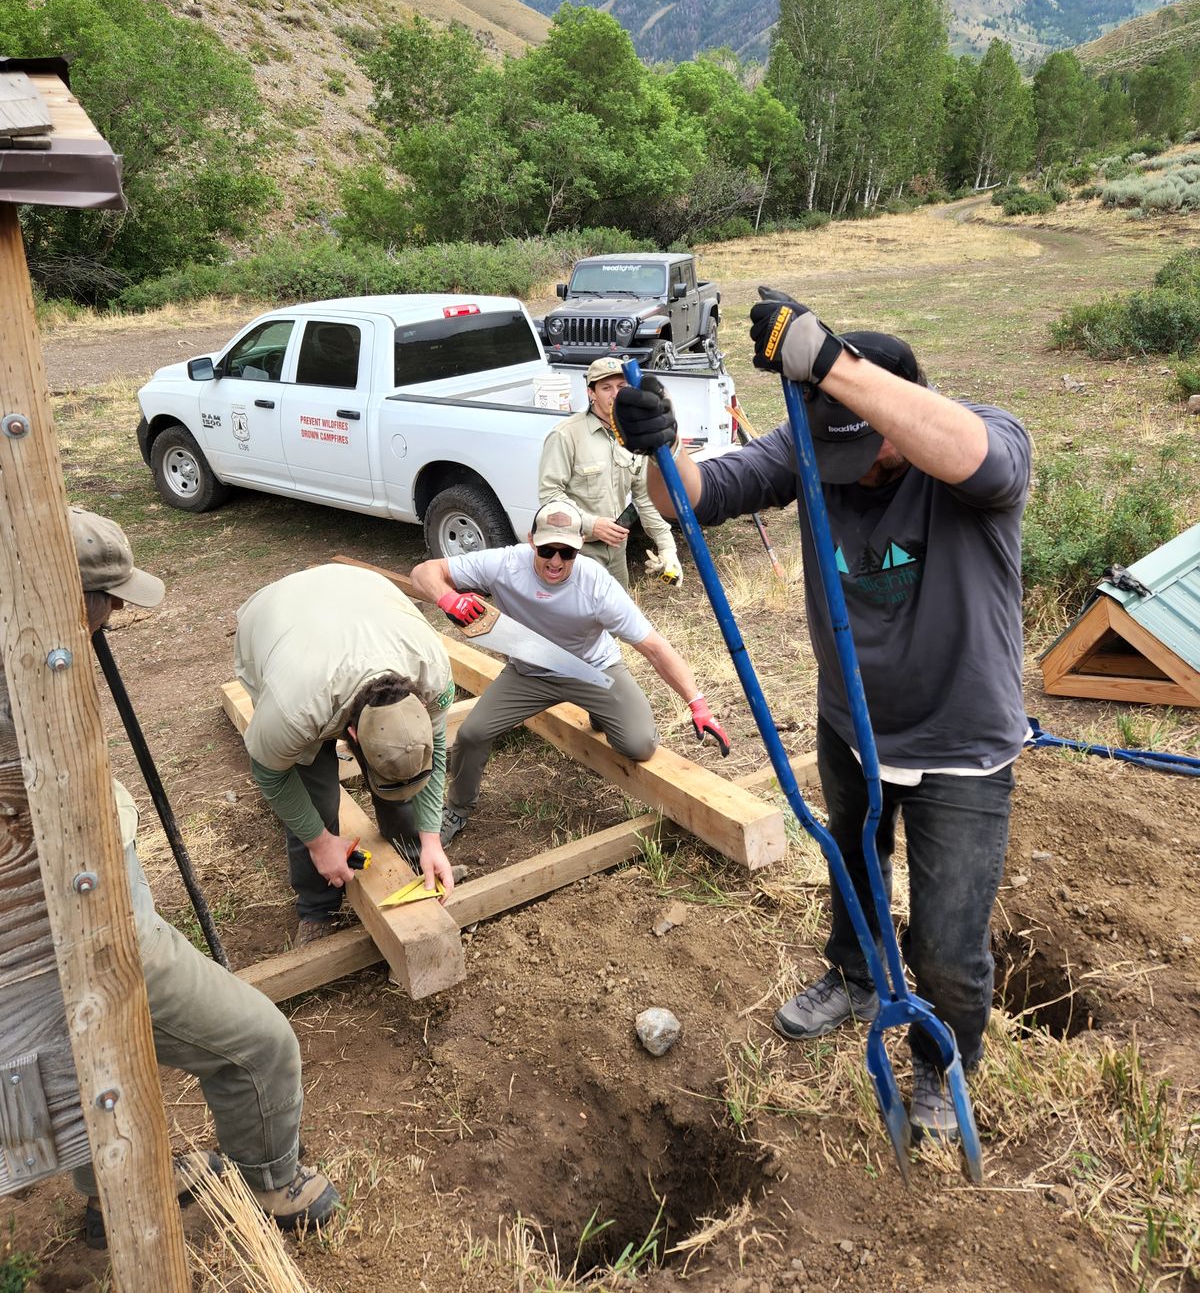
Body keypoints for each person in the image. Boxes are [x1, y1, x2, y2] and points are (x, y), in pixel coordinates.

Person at [614, 290, 1031, 1144]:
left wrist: (830, 360)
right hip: (853, 726)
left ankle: (941, 1061)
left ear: (900, 406)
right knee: (853, 867)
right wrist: (657, 445)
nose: (854, 476)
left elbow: (979, 460)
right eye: (835, 457)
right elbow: (693, 497)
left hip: (960, 744)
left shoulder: (977, 436)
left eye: (869, 452)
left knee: (948, 946)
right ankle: (855, 977)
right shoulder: (810, 448)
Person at [30, 508, 337, 1242]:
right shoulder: (23, 691)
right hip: (78, 911)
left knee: (83, 1051)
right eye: (108, 601)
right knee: (259, 1044)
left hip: (78, 886)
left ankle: (118, 1188)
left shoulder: (36, 656)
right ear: (69, 598)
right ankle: (272, 1185)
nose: (115, 615)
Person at [409, 498, 730, 848]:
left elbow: (655, 647)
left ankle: (600, 712)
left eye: (567, 552)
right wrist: (448, 599)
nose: (556, 561)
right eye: (547, 550)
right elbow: (423, 573)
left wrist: (697, 703)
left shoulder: (597, 585)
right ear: (531, 540)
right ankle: (457, 809)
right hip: (529, 672)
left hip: (593, 670)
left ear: (580, 546)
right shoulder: (504, 563)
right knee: (471, 734)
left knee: (640, 745)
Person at [233, 564, 457, 945]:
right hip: (280, 618)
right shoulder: (294, 709)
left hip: (360, 594)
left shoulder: (433, 673)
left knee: (402, 769)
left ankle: (413, 852)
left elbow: (429, 759)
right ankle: (316, 905)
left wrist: (431, 840)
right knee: (315, 795)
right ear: (351, 735)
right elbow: (271, 773)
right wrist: (320, 842)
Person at [538, 356, 682, 591]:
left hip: (617, 548)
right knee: (583, 611)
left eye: (621, 387)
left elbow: (644, 497)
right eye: (606, 388)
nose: (615, 394)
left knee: (618, 610)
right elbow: (550, 496)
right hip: (578, 549)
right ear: (591, 393)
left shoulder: (632, 437)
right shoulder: (565, 435)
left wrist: (667, 547)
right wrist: (592, 524)